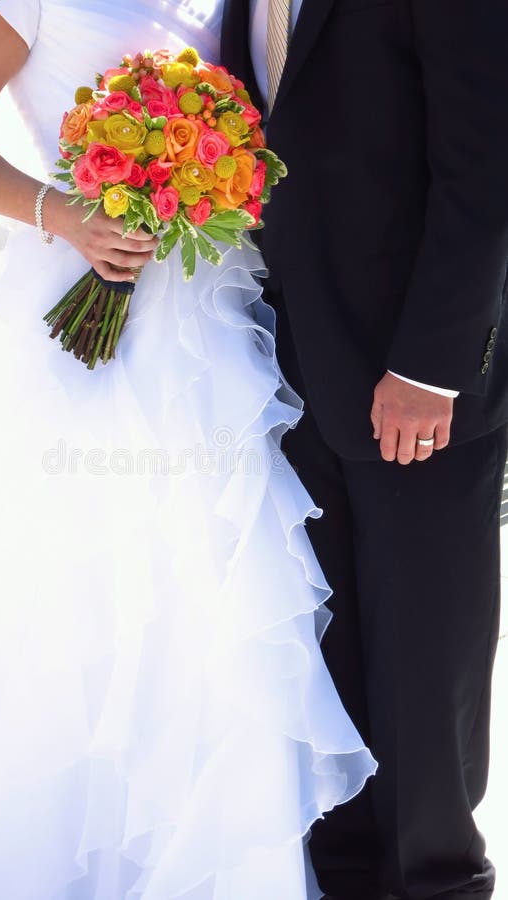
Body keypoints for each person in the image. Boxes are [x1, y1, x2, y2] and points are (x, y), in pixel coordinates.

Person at [0, 0, 377, 897]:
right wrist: (67, 215)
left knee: (208, 597)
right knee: (80, 598)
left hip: (204, 330)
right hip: (77, 338)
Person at [220, 1, 508, 898]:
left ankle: (439, 879)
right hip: (281, 359)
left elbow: (487, 163)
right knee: (325, 649)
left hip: (412, 378)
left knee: (426, 657)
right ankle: (343, 873)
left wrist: (431, 364)